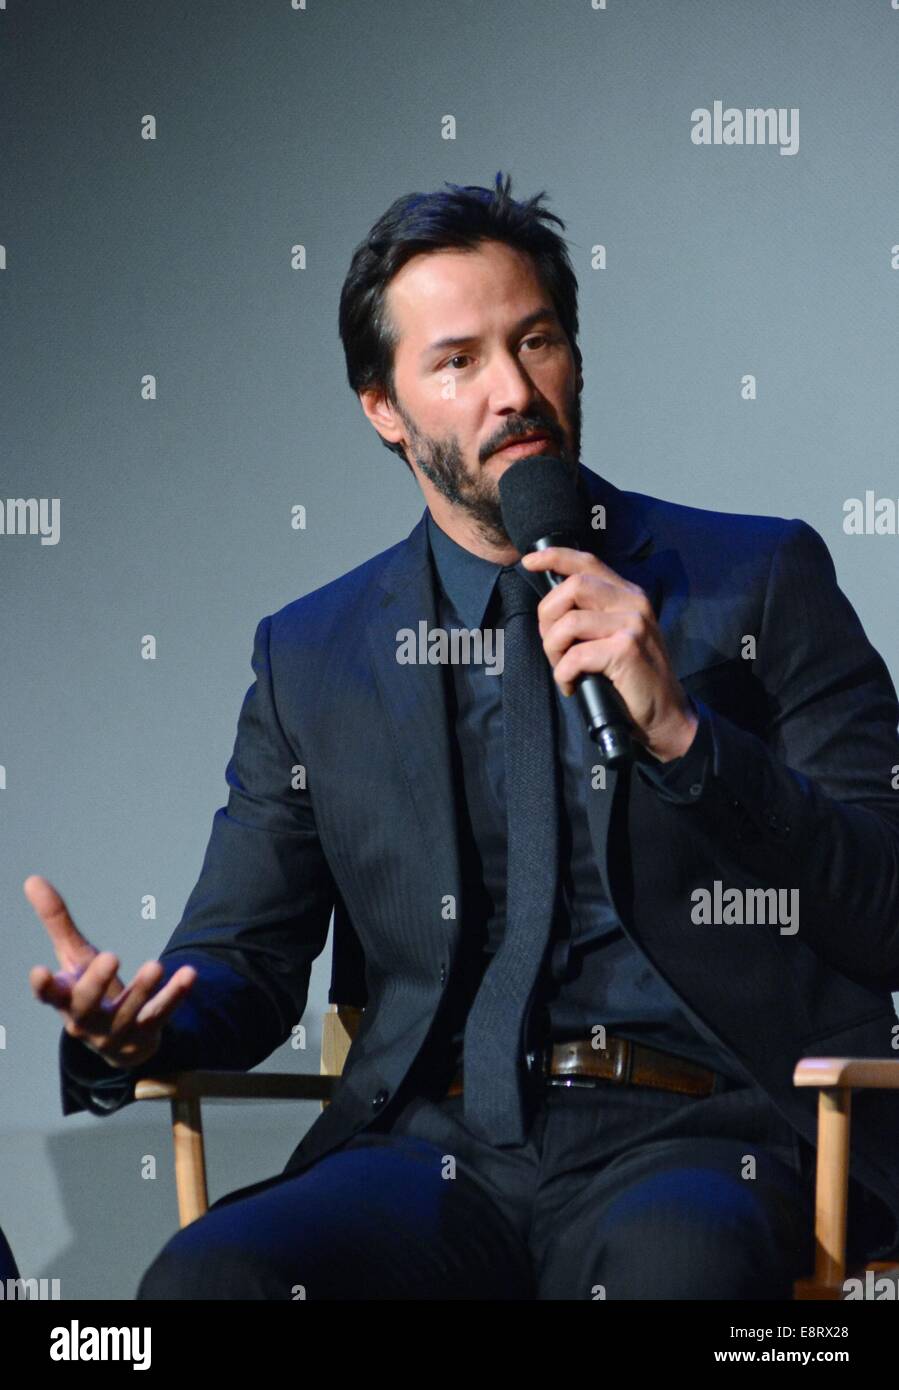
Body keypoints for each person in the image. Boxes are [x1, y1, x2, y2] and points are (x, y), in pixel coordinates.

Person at [28, 173, 899, 1300]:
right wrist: (133, 1030)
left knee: (673, 1274)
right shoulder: (314, 655)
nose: (511, 393)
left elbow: (882, 905)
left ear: (574, 358)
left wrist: (685, 737)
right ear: (382, 408)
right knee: (213, 1282)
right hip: (426, 1149)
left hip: (696, 1135)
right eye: (456, 361)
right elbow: (243, 958)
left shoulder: (758, 579)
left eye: (533, 341)